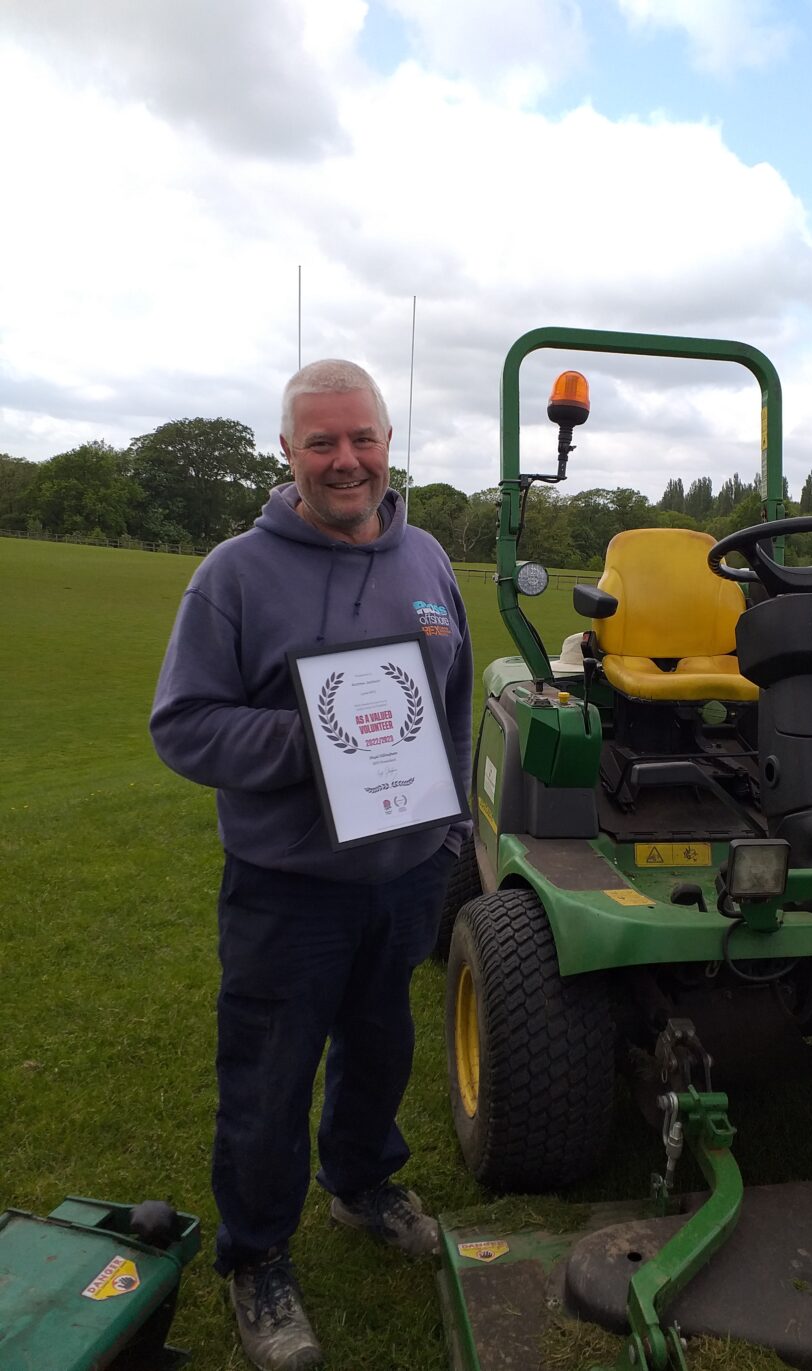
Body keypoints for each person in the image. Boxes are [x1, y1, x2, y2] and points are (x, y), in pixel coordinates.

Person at [150, 359, 473, 1371]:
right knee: (268, 1082)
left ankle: (362, 1184)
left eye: (362, 438)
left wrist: (453, 832)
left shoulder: (426, 558)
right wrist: (311, 744)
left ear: (387, 441)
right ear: (286, 454)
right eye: (322, 442)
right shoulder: (235, 573)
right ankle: (256, 1258)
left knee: (380, 1054)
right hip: (287, 888)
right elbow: (183, 726)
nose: (346, 460)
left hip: (408, 874)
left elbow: (455, 708)